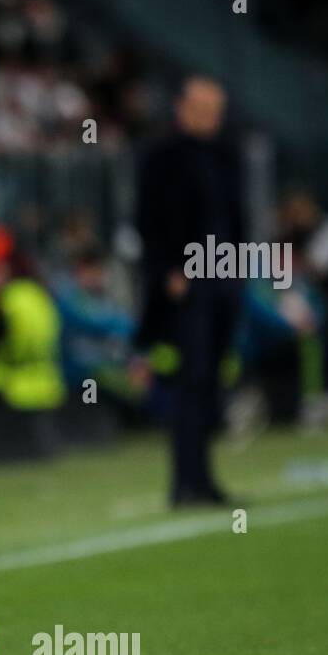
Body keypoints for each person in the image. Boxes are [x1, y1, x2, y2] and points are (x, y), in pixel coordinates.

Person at [135, 76, 245, 507]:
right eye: (205, 108)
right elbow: (148, 220)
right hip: (187, 284)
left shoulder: (224, 154)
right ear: (184, 108)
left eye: (217, 109)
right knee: (191, 380)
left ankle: (205, 479)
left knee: (212, 380)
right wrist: (169, 272)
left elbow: (234, 220)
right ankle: (185, 483)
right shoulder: (162, 157)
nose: (213, 117)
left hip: (223, 280)